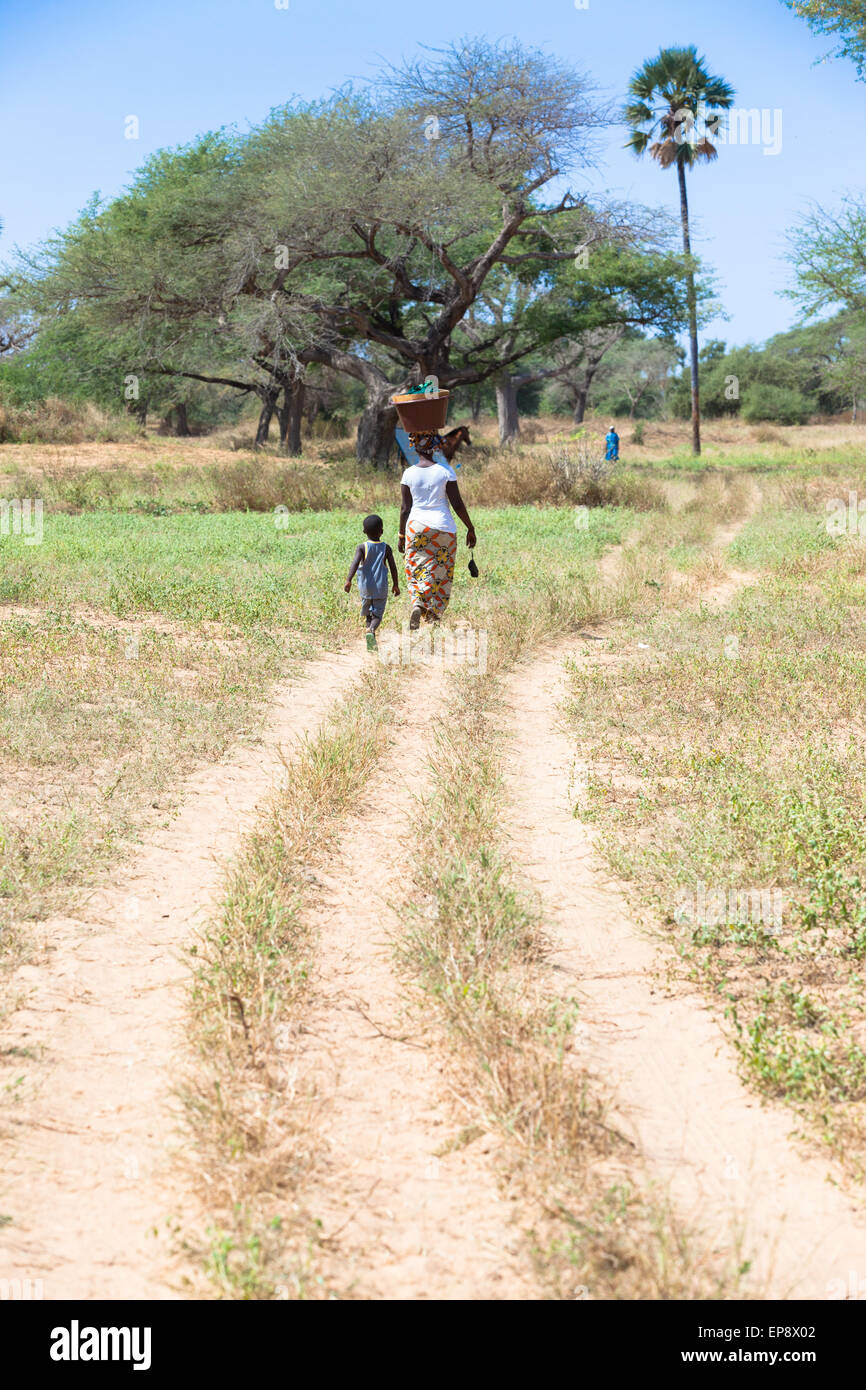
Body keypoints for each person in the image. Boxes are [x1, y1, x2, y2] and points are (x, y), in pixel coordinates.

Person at [398, 430, 476, 629]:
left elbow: (405, 509)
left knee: (416, 567)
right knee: (441, 570)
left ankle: (418, 603)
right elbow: (457, 504)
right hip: (443, 529)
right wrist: (470, 527)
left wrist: (400, 535)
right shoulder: (445, 471)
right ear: (435, 447)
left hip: (416, 527)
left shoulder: (408, 473)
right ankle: (433, 613)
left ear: (415, 447)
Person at [344, 513, 400, 650]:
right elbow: (393, 568)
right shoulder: (386, 548)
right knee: (378, 615)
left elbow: (355, 564)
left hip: (365, 587)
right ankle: (371, 630)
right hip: (380, 588)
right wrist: (396, 585)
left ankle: (370, 637)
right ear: (382, 531)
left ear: (364, 531)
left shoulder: (362, 547)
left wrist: (348, 580)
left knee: (368, 613)